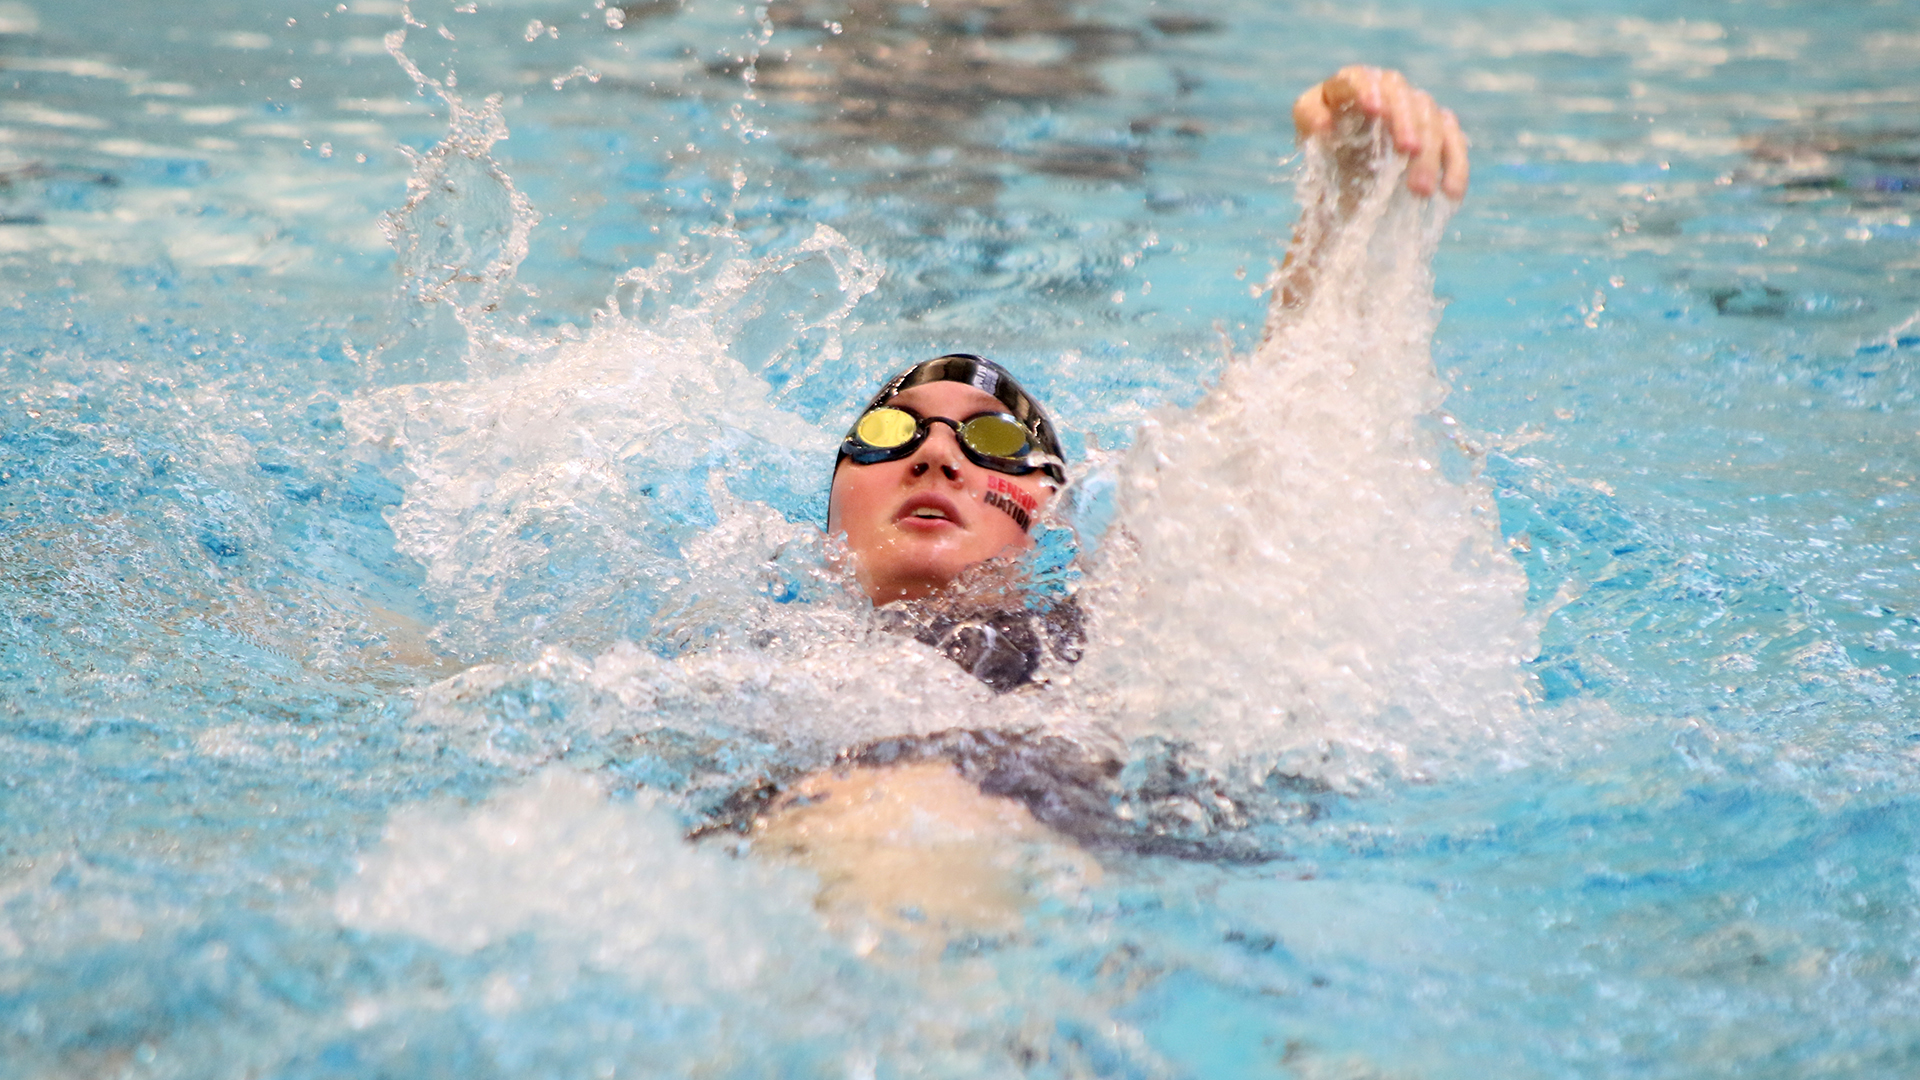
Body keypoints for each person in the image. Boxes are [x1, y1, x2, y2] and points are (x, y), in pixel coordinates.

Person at [719, 66, 1470, 937]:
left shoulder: (1104, 633)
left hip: (1056, 830)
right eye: (889, 431)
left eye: (994, 440)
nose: (935, 454)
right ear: (829, 518)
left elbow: (1275, 445)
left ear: (1052, 519)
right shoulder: (732, 650)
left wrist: (1342, 202)